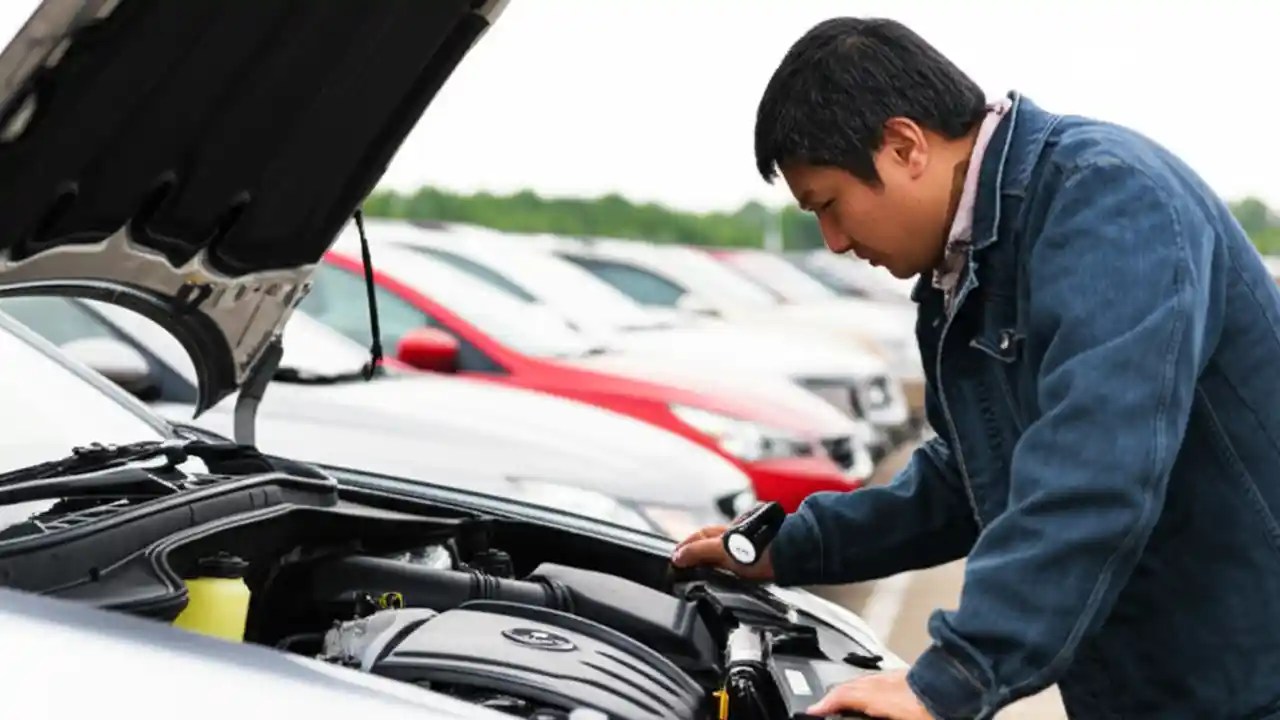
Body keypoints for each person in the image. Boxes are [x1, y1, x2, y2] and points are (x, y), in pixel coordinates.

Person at [672, 16, 1280, 720]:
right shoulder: (969, 263)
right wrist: (791, 547)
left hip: (1247, 682)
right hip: (1151, 683)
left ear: (904, 146)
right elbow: (972, 476)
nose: (833, 243)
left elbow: (1096, 469)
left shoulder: (1109, 201)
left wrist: (955, 674)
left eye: (830, 206)